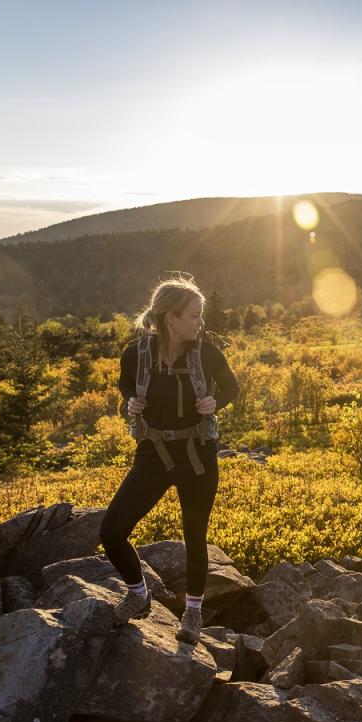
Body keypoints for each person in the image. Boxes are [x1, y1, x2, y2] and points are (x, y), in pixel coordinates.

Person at [100, 274, 239, 642]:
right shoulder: (135, 354)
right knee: (111, 531)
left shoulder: (207, 352)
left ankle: (192, 614)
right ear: (170, 318)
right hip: (153, 454)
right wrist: (130, 401)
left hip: (198, 455)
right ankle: (138, 594)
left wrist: (215, 402)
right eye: (194, 315)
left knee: (195, 535)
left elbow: (232, 387)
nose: (200, 322)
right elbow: (126, 386)